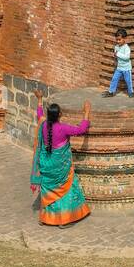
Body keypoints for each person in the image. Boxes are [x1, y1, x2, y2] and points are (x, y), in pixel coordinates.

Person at [30, 90, 92, 226]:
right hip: (60, 167)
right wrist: (86, 112)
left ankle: (47, 218)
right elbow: (81, 130)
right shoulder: (63, 128)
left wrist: (39, 99)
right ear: (59, 115)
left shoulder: (44, 125)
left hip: (47, 165)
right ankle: (63, 220)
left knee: (49, 190)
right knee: (65, 189)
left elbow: (39, 115)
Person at [104, 28, 134, 97]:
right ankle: (111, 91)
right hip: (119, 67)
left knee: (128, 81)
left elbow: (127, 57)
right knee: (114, 79)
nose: (118, 41)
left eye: (119, 40)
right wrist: (115, 55)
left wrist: (117, 54)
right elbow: (116, 55)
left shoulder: (127, 48)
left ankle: (131, 92)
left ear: (124, 39)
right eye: (117, 40)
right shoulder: (116, 47)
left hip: (126, 68)